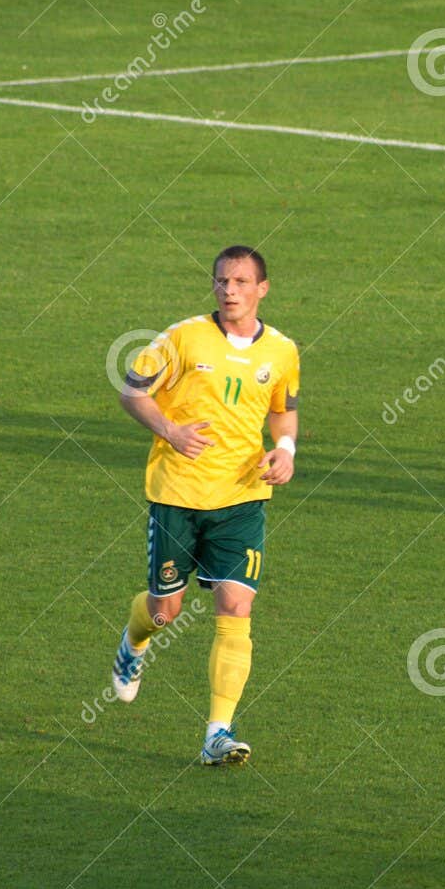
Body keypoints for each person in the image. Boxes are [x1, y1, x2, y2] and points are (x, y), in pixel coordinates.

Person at [109, 245, 300, 766]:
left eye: (240, 282)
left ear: (262, 288)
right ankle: (134, 642)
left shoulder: (282, 351)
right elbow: (131, 392)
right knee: (164, 612)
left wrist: (285, 449)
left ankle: (218, 732)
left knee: (236, 608)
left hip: (242, 498)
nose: (229, 290)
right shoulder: (183, 338)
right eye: (221, 281)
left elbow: (283, 410)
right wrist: (169, 430)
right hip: (177, 494)